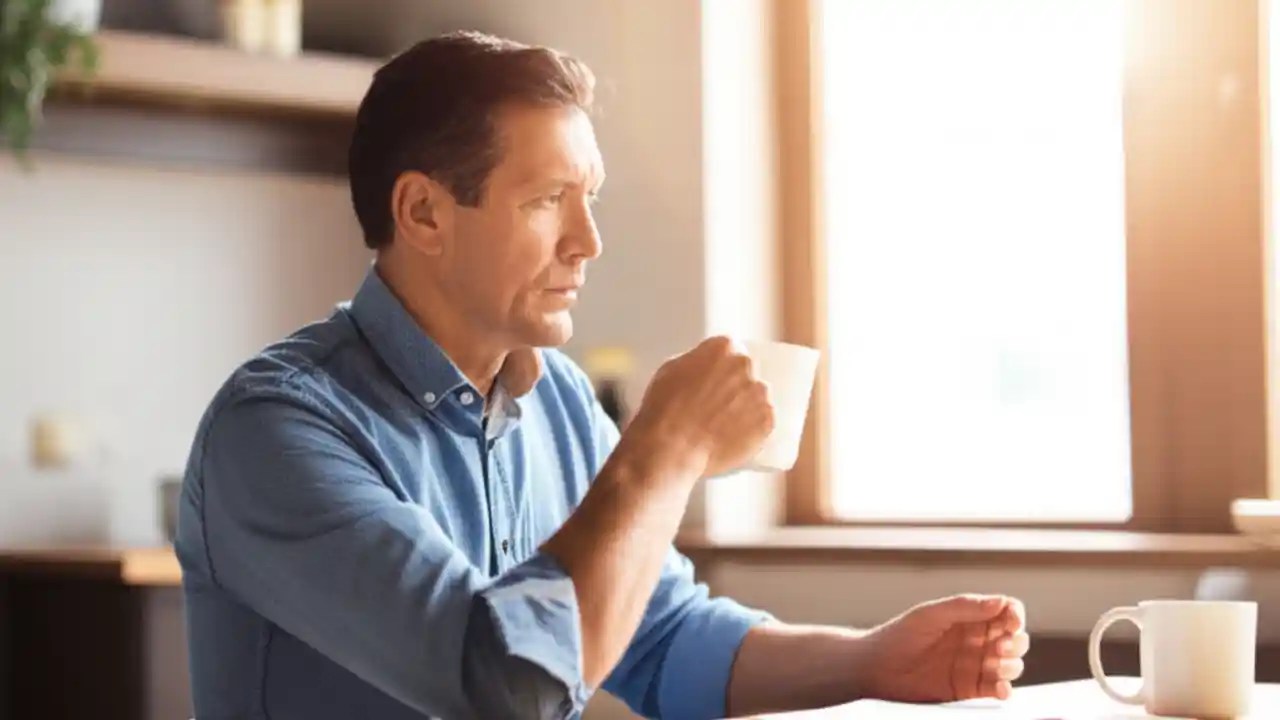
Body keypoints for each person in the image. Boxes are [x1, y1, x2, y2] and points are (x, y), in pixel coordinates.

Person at [175, 31, 1029, 720]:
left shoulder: (559, 403)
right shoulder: (277, 430)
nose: (588, 240)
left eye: (592, 199)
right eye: (549, 198)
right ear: (424, 212)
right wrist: (664, 450)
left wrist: (872, 659)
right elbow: (502, 686)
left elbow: (661, 637)